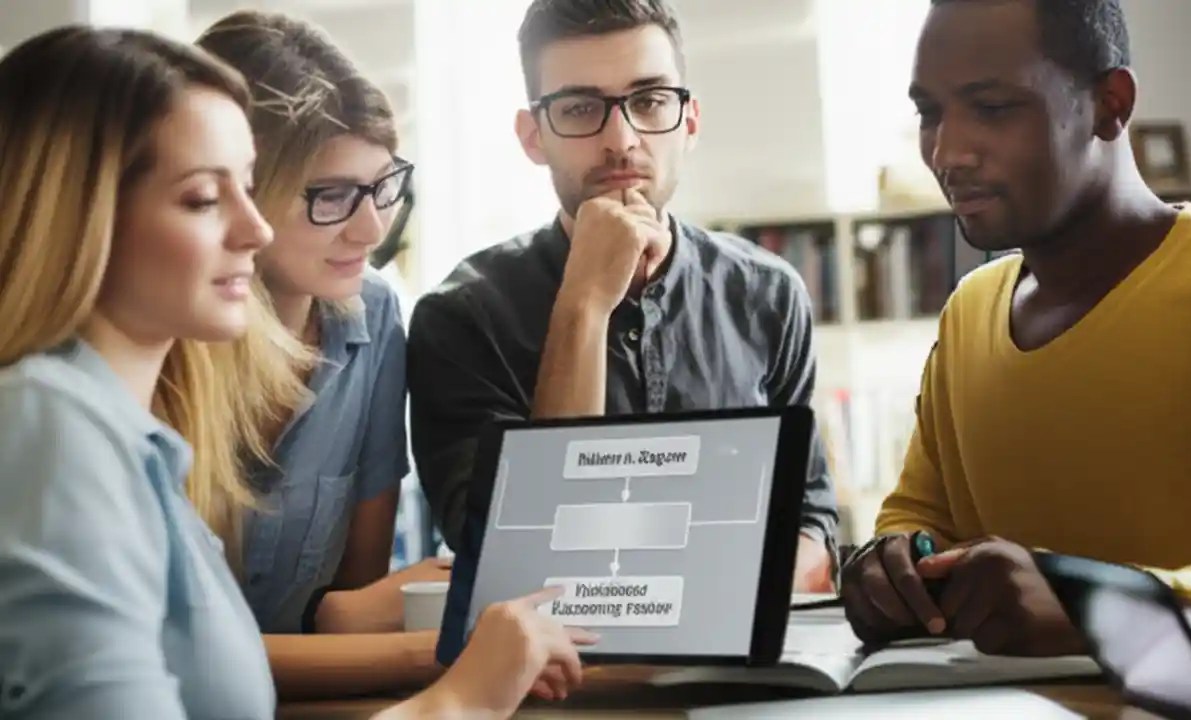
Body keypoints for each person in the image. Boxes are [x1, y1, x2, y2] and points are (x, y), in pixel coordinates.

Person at [0, 25, 593, 719]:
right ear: (82, 215)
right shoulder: (51, 426)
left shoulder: (130, 445)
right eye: (202, 198)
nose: (253, 230)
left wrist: (346, 622)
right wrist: (462, 692)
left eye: (248, 189)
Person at [840, 0, 1191, 659]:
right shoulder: (970, 312)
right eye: (931, 112)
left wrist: (1105, 607)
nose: (948, 152)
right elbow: (917, 520)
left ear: (1109, 104)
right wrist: (892, 568)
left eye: (990, 107)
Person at [408, 0, 839, 593]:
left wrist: (723, 596)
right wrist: (583, 304)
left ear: (688, 121)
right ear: (533, 137)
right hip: (555, 675)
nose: (622, 139)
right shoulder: (459, 317)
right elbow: (513, 558)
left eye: (649, 101)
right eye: (581, 107)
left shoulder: (769, 294)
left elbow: (811, 523)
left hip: (740, 665)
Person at [195, 10, 463, 700]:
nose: (373, 227)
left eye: (382, 186)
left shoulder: (373, 313)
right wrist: (441, 654)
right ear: (239, 192)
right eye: (332, 195)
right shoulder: (161, 338)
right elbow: (181, 653)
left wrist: (369, 624)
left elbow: (354, 604)